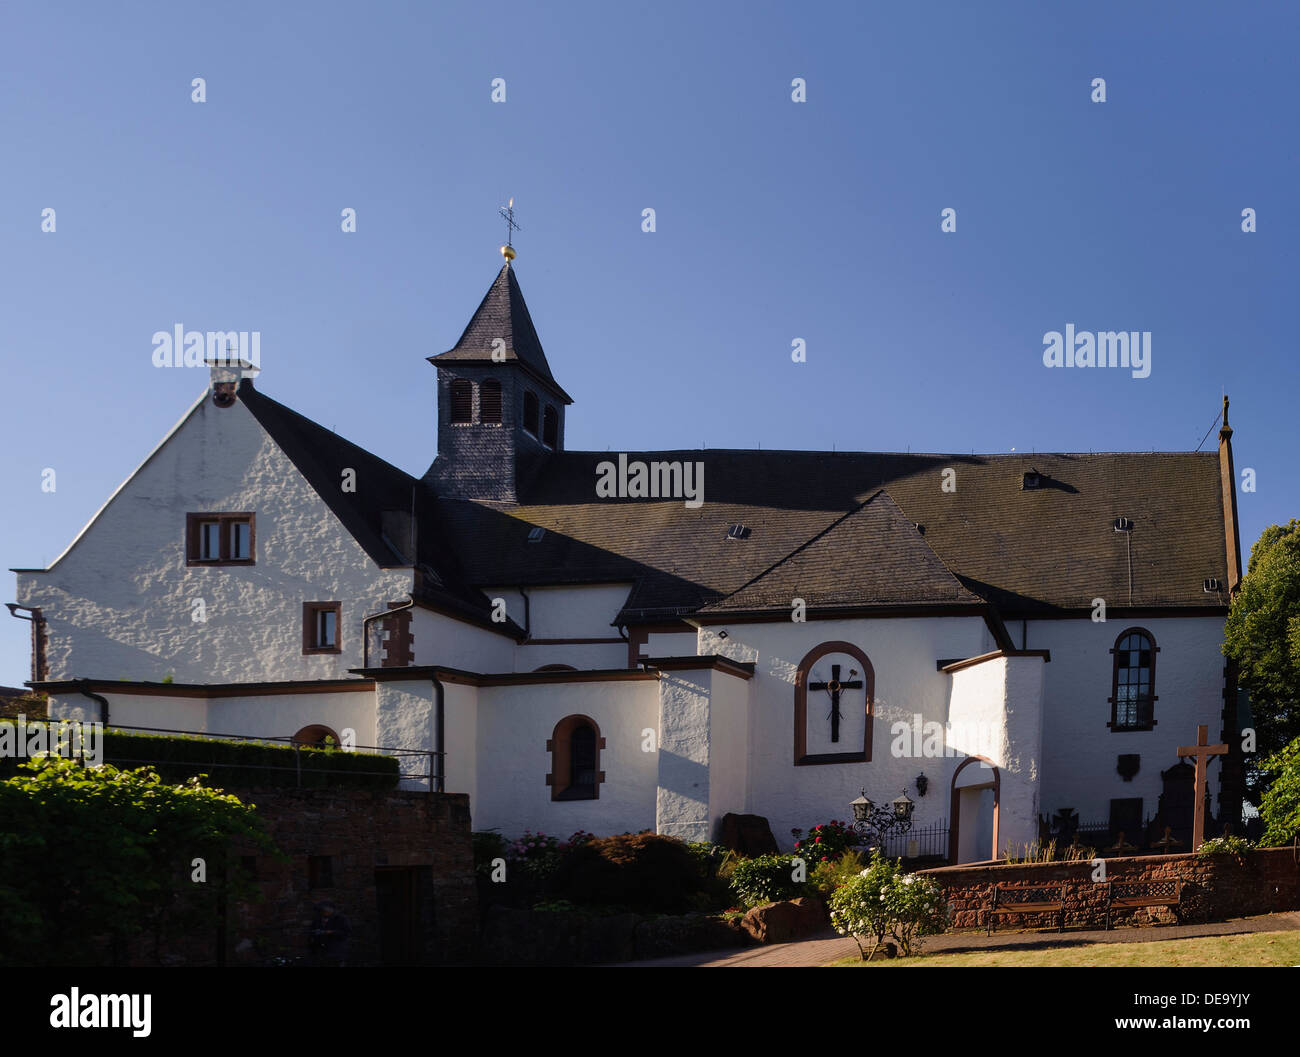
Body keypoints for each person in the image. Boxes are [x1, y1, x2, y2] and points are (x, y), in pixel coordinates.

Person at [310, 901, 351, 966]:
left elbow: (346, 933)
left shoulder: (341, 919)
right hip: (321, 952)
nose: (322, 913)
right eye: (321, 911)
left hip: (336, 950)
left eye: (324, 911)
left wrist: (329, 932)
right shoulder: (318, 919)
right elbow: (312, 931)